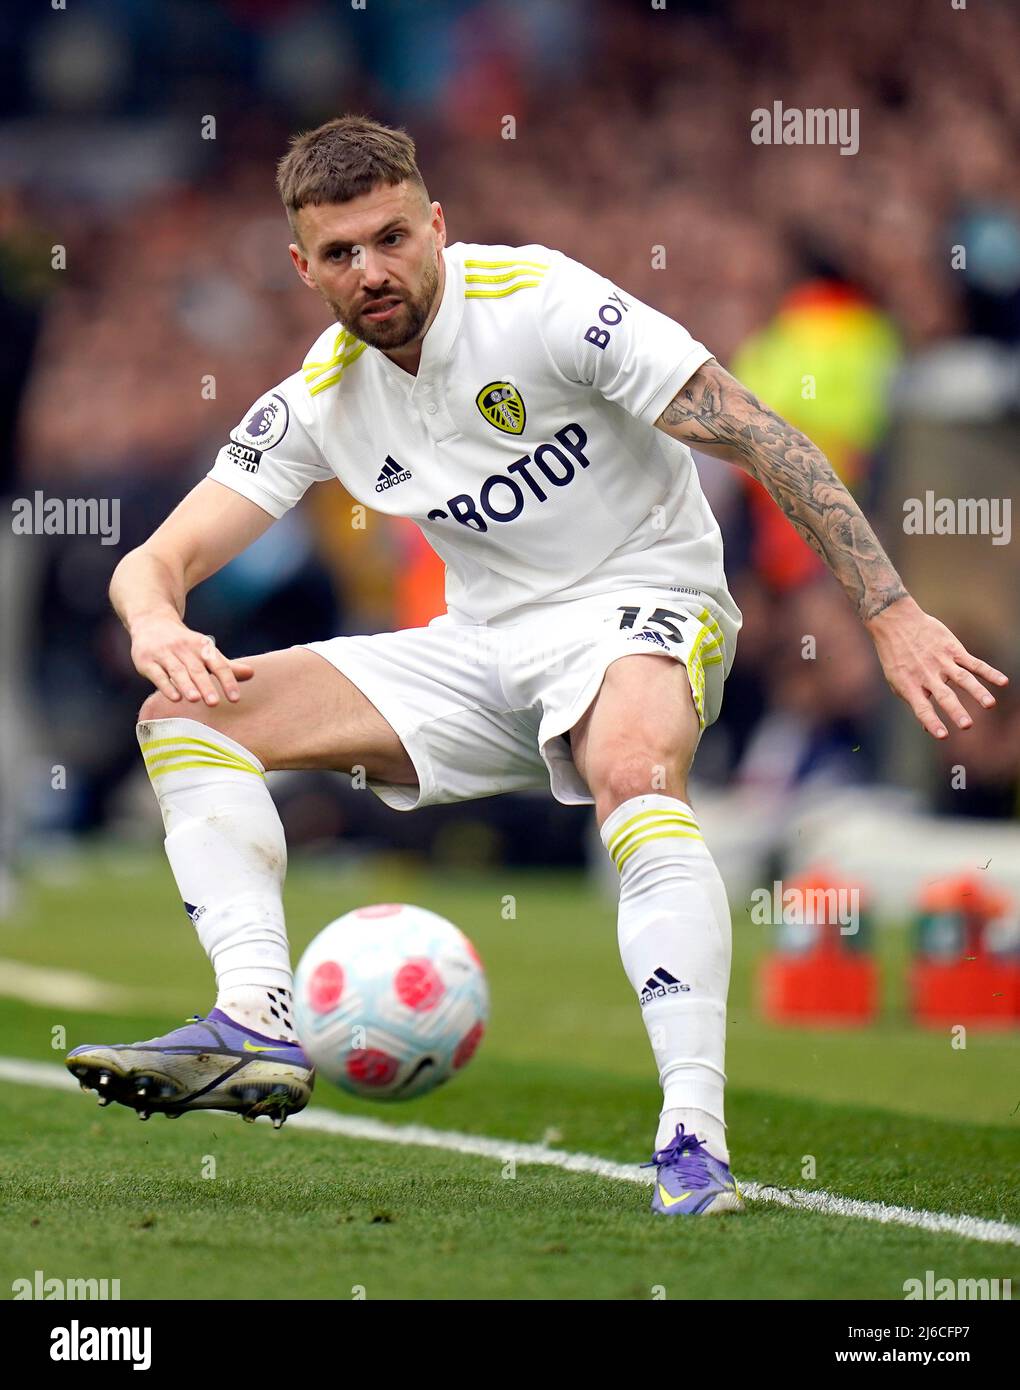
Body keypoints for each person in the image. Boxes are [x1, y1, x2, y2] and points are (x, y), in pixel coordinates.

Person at [65, 116, 1008, 1216]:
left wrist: (889, 610)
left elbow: (755, 427)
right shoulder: (322, 395)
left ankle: (693, 1139)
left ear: (437, 224)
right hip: (482, 648)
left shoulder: (544, 303)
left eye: (391, 237)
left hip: (641, 600)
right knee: (182, 716)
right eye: (340, 253)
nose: (372, 271)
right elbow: (157, 558)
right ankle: (256, 1021)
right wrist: (155, 624)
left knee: (633, 776)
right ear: (302, 267)